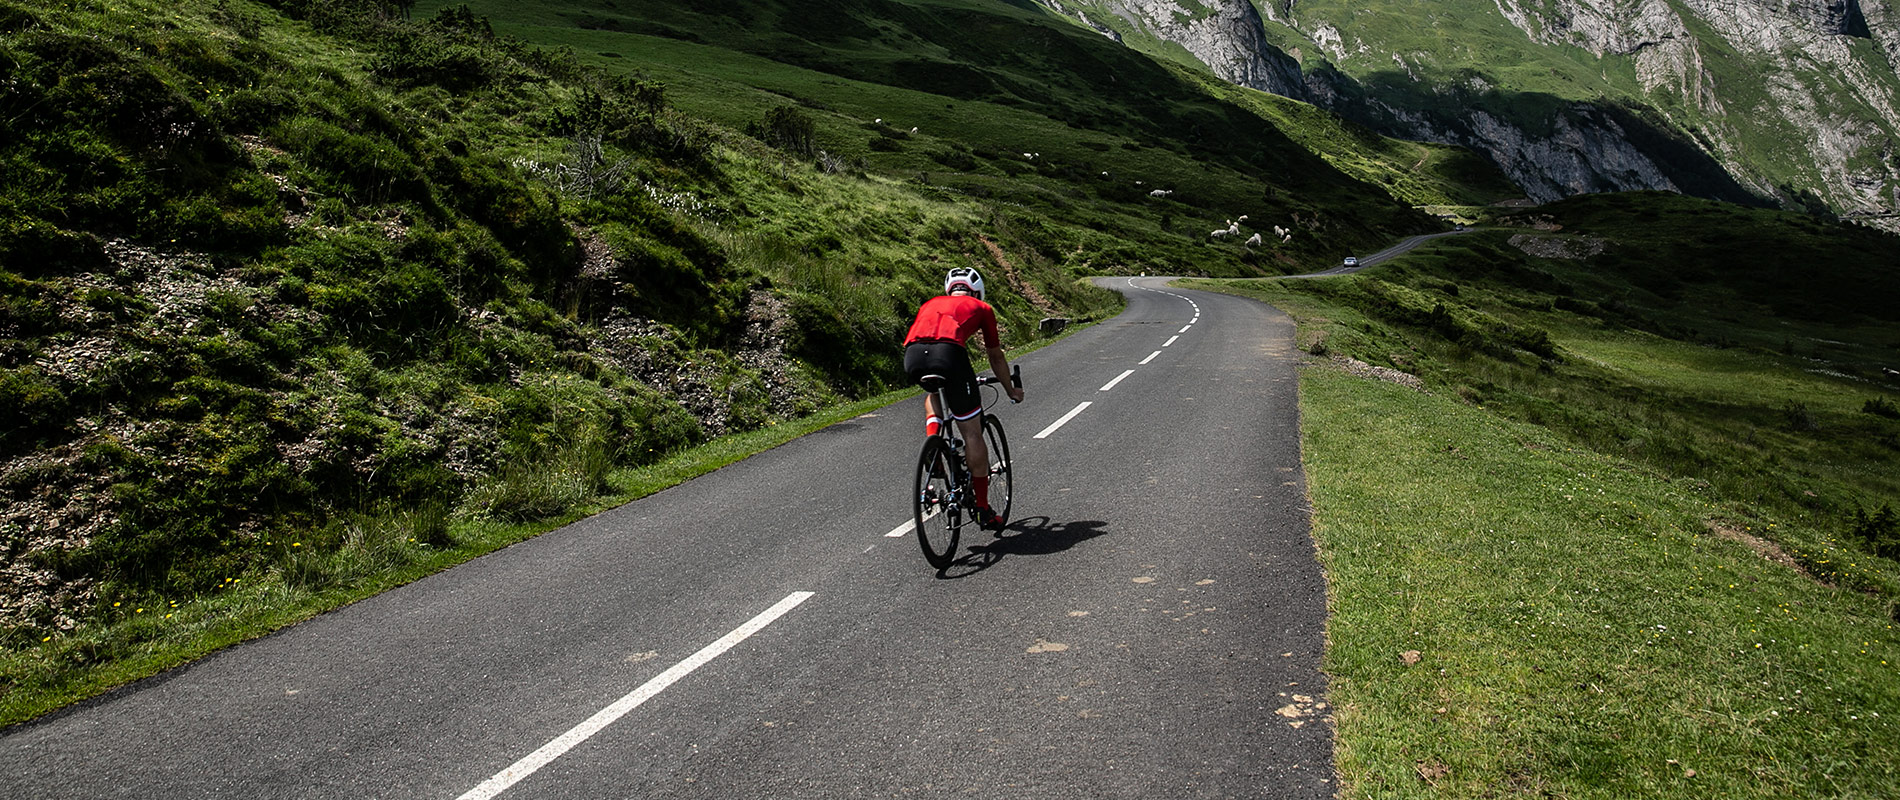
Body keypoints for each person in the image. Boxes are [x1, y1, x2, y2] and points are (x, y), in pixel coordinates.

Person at [903, 267, 1023, 530]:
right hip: (948, 354)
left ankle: (933, 443)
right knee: (972, 432)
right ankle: (982, 508)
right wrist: (1011, 390)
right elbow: (995, 356)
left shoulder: (931, 303)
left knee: (934, 393)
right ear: (976, 292)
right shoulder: (982, 308)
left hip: (913, 355)